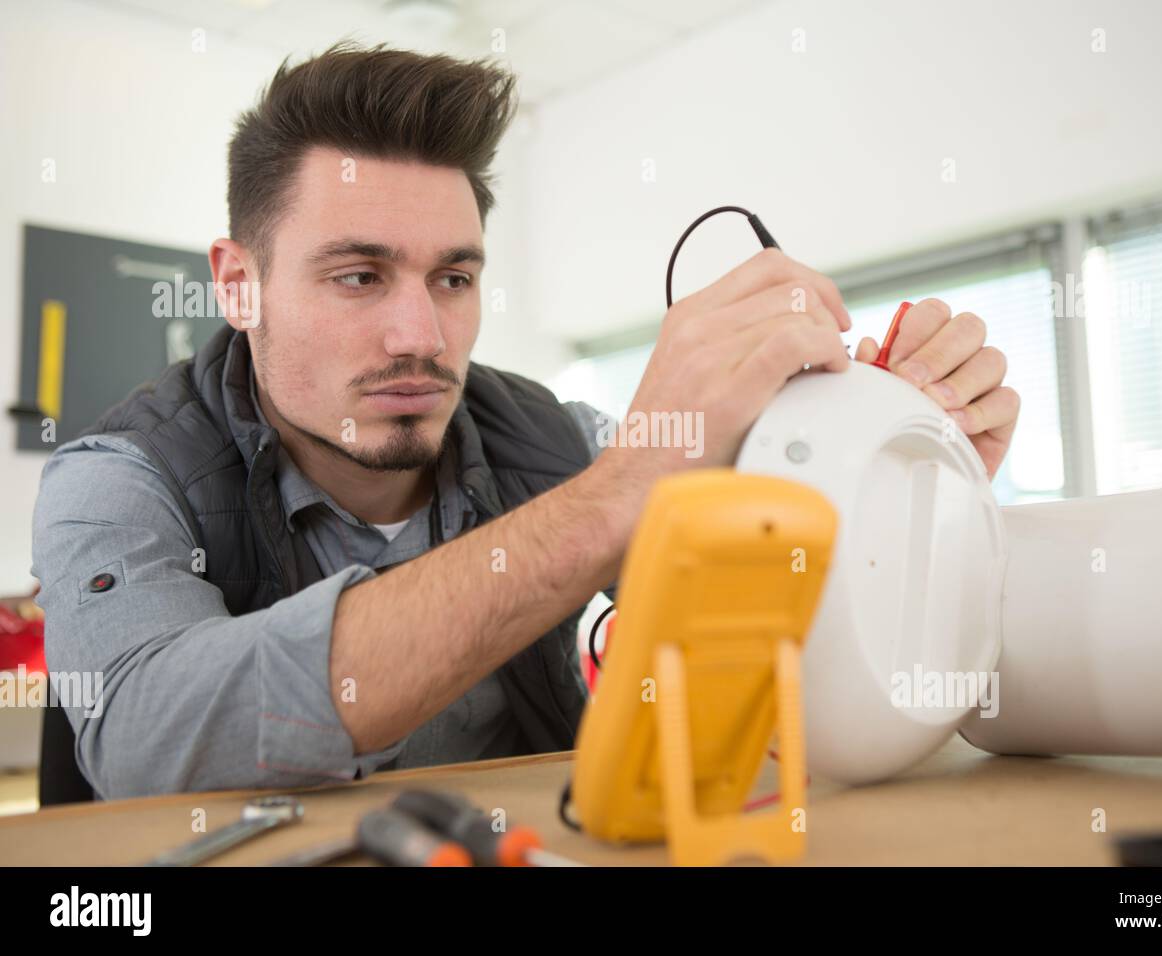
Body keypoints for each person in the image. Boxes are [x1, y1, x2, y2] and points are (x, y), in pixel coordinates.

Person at [31, 42, 1019, 799]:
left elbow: (792, 657)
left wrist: (910, 480)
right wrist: (618, 493)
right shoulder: (115, 477)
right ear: (239, 285)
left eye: (452, 277)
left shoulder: (564, 443)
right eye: (360, 274)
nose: (420, 333)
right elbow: (157, 736)